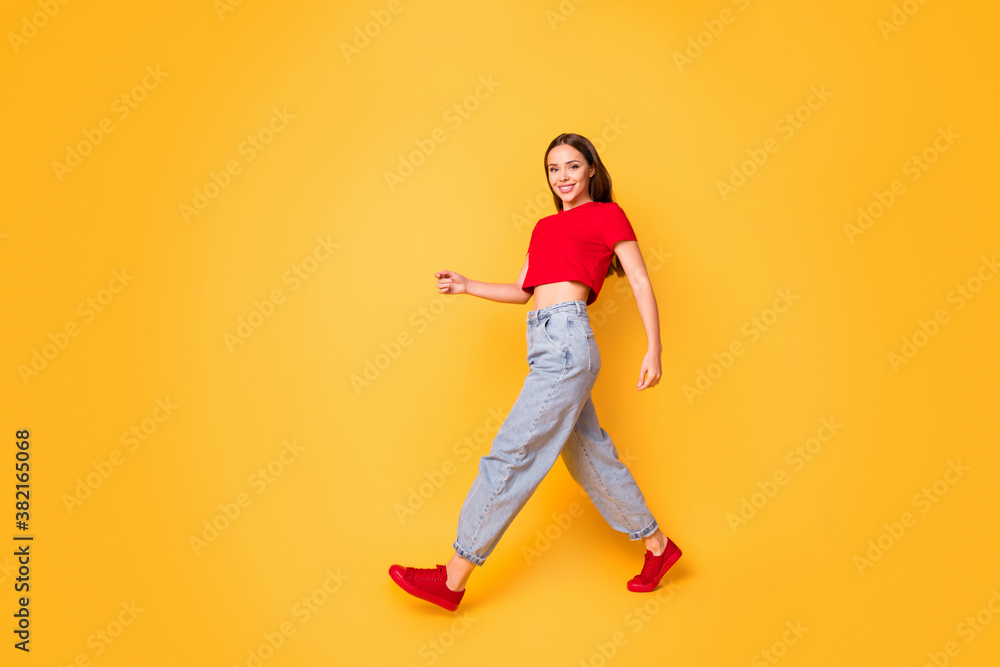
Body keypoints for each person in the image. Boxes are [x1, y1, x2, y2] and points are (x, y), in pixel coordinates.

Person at [389, 133, 682, 611]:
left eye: (571, 166)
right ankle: (658, 547)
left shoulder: (609, 215)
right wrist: (468, 285)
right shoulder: (544, 226)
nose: (562, 177)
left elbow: (641, 279)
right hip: (543, 341)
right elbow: (525, 293)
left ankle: (453, 579)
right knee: (592, 459)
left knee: (511, 453)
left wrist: (655, 347)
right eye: (553, 169)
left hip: (569, 344)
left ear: (590, 169)